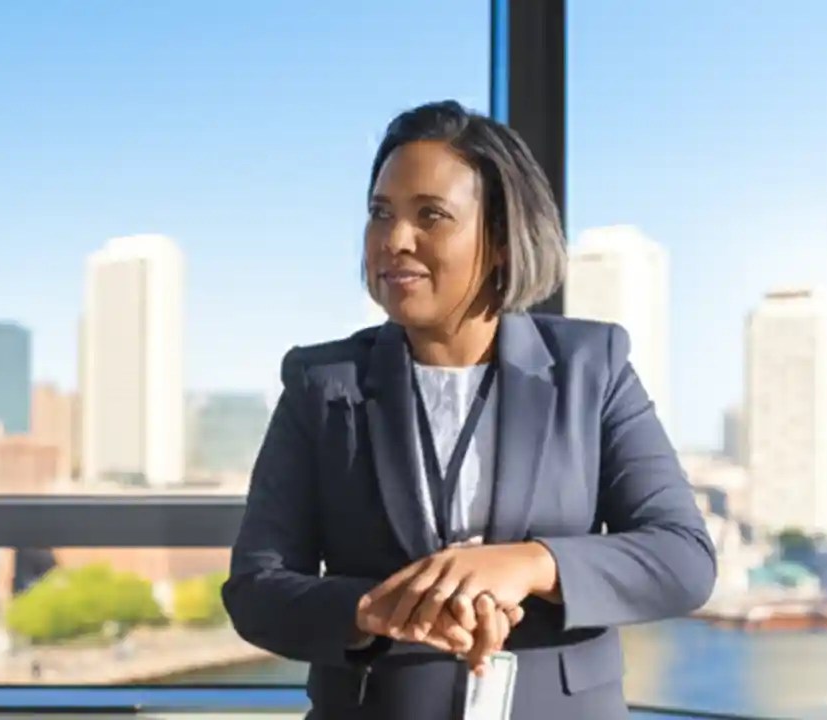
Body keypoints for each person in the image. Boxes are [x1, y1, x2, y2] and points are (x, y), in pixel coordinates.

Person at [222, 100, 716, 719]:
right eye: (381, 214)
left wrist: (530, 564)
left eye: (431, 215)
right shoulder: (320, 383)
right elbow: (255, 590)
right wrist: (373, 610)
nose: (395, 240)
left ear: (504, 239)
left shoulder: (593, 366)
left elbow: (683, 558)